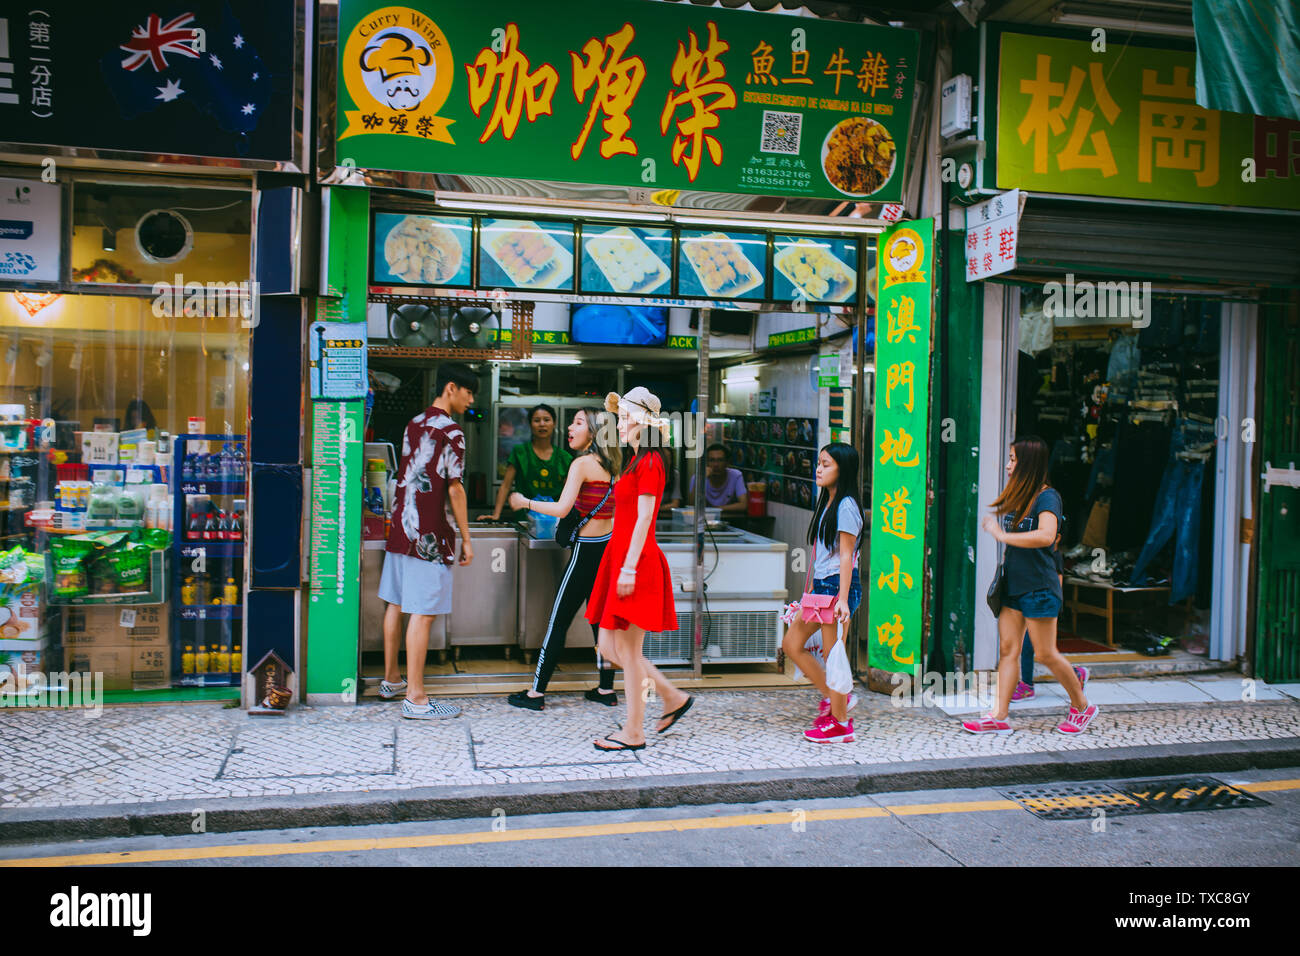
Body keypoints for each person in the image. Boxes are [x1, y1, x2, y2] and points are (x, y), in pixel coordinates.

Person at [967, 436, 1097, 735]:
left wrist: (1002, 536)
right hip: (1014, 586)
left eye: (1013, 459)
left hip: (1039, 586)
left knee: (1045, 653)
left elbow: (1046, 536)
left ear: (1029, 463)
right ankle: (999, 716)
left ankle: (1082, 705)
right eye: (1010, 459)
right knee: (1009, 650)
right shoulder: (1018, 496)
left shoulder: (1047, 497)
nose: (1009, 465)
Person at [586, 387, 692, 751]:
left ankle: (634, 731)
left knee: (627, 653)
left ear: (645, 422)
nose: (621, 421)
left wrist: (628, 569)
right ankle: (670, 696)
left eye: (628, 415)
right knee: (608, 646)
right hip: (622, 557)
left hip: (636, 561)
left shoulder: (649, 462)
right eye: (621, 415)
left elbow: (645, 519)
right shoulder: (633, 461)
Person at [378, 363, 478, 719]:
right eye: (469, 392)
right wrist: (466, 539)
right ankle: (416, 698)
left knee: (395, 603)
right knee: (421, 614)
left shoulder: (414, 423)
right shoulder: (452, 431)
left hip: (401, 527)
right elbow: (455, 488)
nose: (471, 401)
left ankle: (392, 680)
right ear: (452, 388)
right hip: (430, 535)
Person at [506, 407, 621, 710]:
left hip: (584, 552)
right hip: (606, 550)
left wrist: (523, 501)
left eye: (579, 422)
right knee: (600, 623)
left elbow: (561, 508)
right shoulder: (616, 465)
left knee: (558, 621)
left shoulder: (582, 464)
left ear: (594, 432)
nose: (571, 427)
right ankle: (606, 690)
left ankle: (535, 693)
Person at [780, 443, 863, 743]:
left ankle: (841, 723)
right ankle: (833, 698)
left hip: (836, 589)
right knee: (792, 643)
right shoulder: (830, 502)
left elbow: (846, 556)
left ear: (843, 469)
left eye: (826, 464)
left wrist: (842, 599)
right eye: (819, 463)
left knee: (834, 656)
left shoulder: (846, 506)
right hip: (823, 587)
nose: (818, 469)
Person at [1011, 531, 1088, 702]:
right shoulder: (1037, 555)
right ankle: (1074, 674)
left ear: (1058, 538)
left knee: (1038, 650)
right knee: (1034, 649)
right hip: (1031, 605)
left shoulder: (1054, 556)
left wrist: (1052, 609)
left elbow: (1057, 585)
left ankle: (1027, 685)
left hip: (1044, 608)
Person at [482, 404, 572, 522]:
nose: (542, 424)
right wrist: (496, 515)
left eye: (546, 420)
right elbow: (505, 485)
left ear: (554, 423)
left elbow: (569, 493)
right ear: (530, 424)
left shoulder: (565, 458)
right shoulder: (520, 452)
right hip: (525, 520)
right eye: (536, 420)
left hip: (555, 521)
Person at [687, 443, 748, 514]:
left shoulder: (736, 475)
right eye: (712, 460)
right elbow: (691, 505)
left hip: (728, 517)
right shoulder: (698, 477)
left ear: (726, 463)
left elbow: (743, 505)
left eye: (720, 460)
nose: (716, 464)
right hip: (705, 518)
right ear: (706, 463)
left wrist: (715, 509)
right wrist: (700, 481)